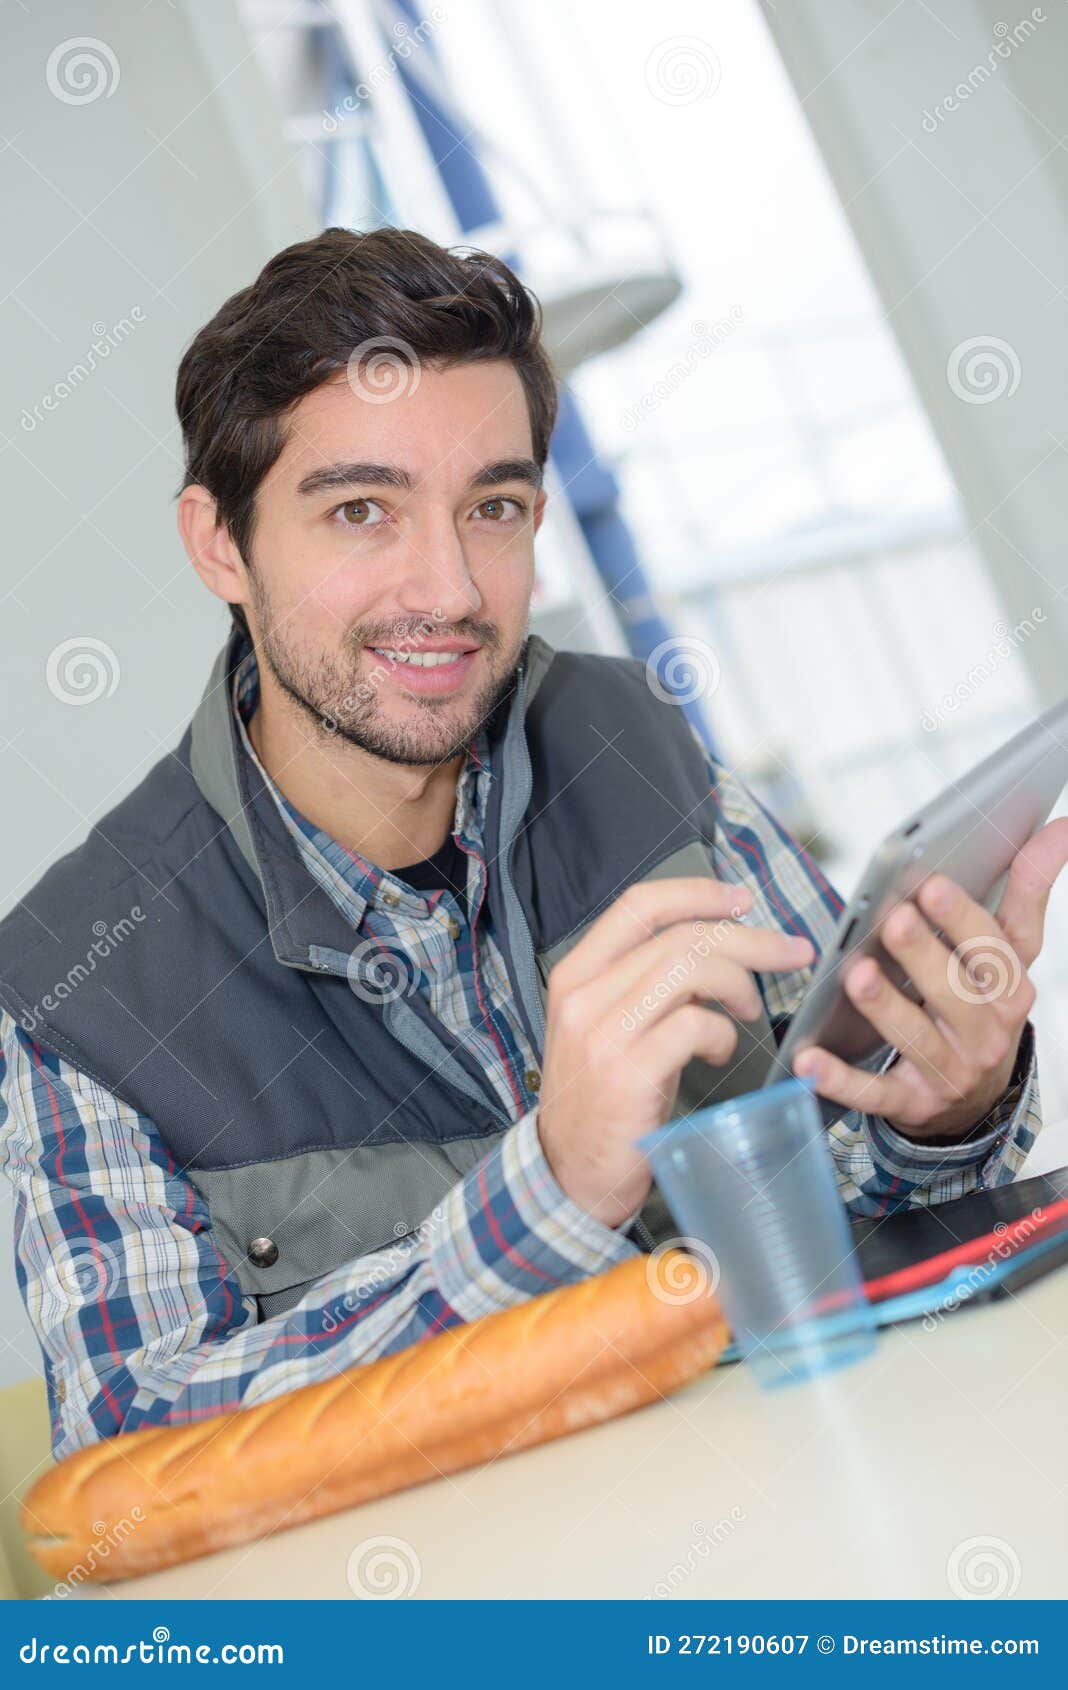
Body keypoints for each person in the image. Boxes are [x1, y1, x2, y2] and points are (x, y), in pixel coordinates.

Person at [0, 228, 1061, 1465]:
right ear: (220, 544)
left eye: (492, 507)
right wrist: (548, 1192)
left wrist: (938, 1113)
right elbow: (131, 1465)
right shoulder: (73, 985)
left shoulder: (639, 750)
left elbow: (835, 1214)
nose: (448, 587)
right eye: (361, 511)